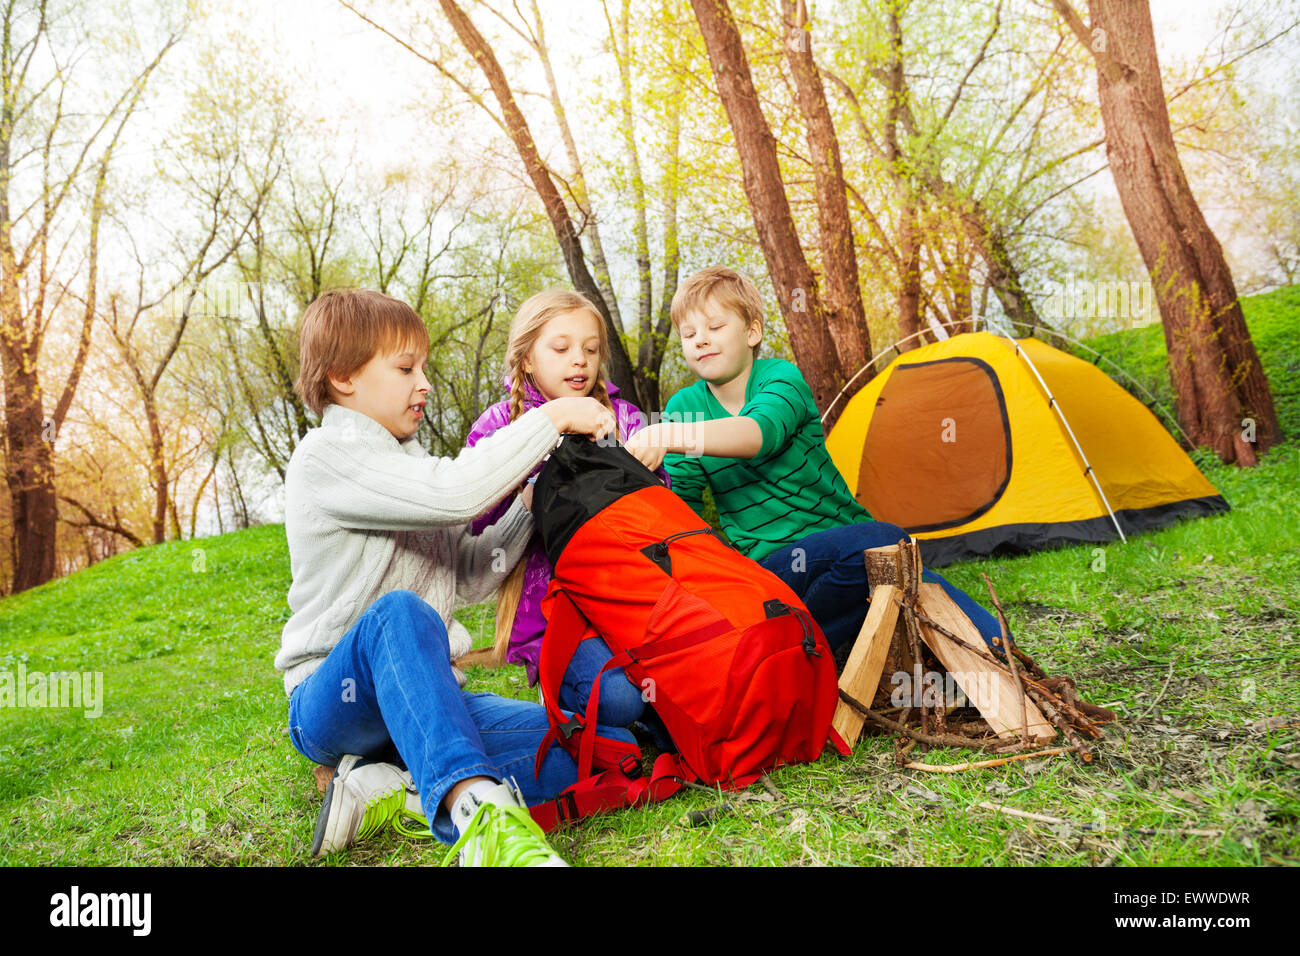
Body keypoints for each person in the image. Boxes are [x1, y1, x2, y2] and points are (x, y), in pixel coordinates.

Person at [277, 288, 634, 866]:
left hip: (428, 699)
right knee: (400, 613)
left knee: (603, 749)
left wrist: (533, 494)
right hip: (334, 704)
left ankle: (388, 784)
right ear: (343, 378)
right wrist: (552, 416)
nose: (424, 383)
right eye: (404, 368)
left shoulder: (410, 462)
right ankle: (480, 819)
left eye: (422, 367)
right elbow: (457, 493)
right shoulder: (325, 457)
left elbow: (470, 576)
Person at [624, 266, 1003, 658]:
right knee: (881, 553)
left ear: (752, 333)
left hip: (847, 541)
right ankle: (788, 638)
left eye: (715, 327)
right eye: (689, 335)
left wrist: (667, 435)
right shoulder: (683, 408)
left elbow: (757, 436)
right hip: (774, 568)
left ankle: (999, 658)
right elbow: (684, 510)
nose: (700, 340)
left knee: (895, 555)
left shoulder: (780, 378)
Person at [464, 289, 664, 730]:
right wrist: (522, 492)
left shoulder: (625, 419)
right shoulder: (499, 425)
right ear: (528, 359)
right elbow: (474, 523)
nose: (579, 359)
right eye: (561, 348)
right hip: (552, 607)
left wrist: (649, 465)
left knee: (673, 684)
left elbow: (660, 515)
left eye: (590, 349)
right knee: (621, 700)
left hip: (628, 594)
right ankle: (560, 683)